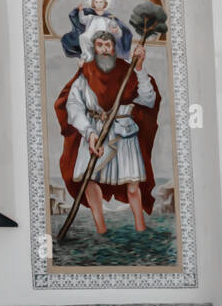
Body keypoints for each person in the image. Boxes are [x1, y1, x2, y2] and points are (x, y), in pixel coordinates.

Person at [55, 30, 160, 234]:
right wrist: (89, 132)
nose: (104, 49)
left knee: (132, 184)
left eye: (108, 45)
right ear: (94, 48)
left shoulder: (127, 70)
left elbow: (148, 100)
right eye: (100, 45)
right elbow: (74, 106)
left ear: (114, 48)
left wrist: (139, 68)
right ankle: (101, 229)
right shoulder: (86, 73)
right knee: (89, 180)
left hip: (123, 132)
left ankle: (140, 227)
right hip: (94, 132)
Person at [60, 0, 132, 64]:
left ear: (105, 4)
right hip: (91, 36)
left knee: (109, 42)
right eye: (96, 2)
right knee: (83, 37)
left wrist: (116, 30)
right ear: (93, 4)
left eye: (101, 2)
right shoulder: (91, 16)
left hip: (103, 36)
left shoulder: (107, 18)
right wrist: (81, 11)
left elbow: (115, 29)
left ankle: (116, 58)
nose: (99, 4)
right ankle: (86, 57)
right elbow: (82, 20)